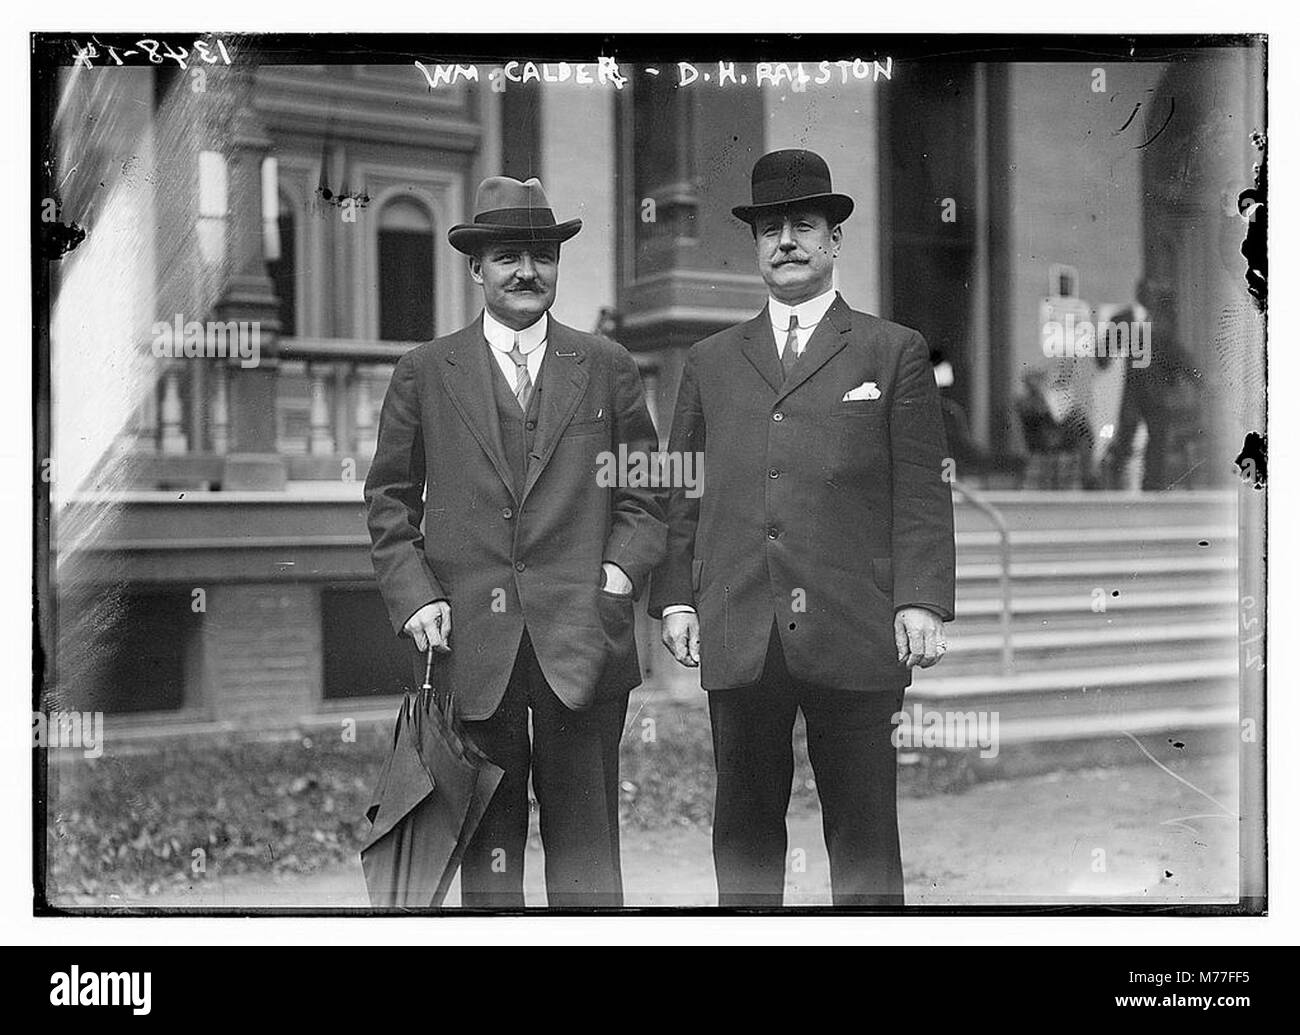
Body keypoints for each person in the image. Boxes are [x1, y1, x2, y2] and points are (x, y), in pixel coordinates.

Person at [650, 149, 956, 907]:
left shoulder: (893, 350)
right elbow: (677, 488)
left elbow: (922, 489)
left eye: (804, 226)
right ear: (756, 246)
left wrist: (919, 598)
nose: (786, 241)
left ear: (834, 240)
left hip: (855, 624)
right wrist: (678, 597)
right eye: (771, 229)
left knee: (864, 835)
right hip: (741, 620)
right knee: (745, 832)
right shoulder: (711, 360)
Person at [364, 176, 665, 907]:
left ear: (557, 265)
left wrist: (619, 576)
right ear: (477, 269)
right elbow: (389, 500)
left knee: (587, 854)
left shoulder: (607, 365)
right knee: (488, 857)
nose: (526, 271)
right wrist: (415, 599)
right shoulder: (426, 371)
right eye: (507, 256)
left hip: (582, 638)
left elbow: (646, 492)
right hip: (469, 643)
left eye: (541, 255)